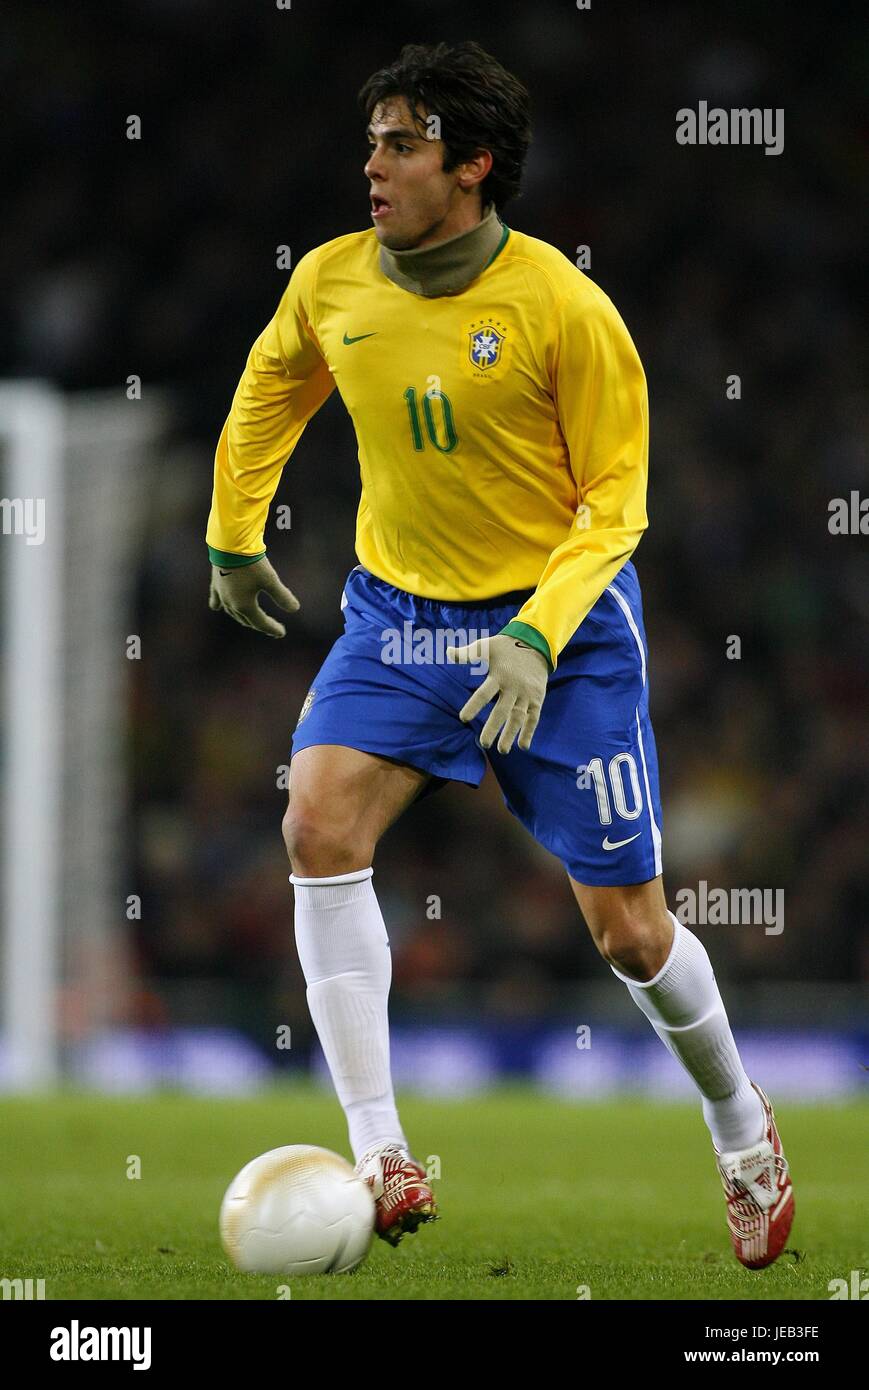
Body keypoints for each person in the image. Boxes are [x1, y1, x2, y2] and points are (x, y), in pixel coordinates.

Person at [206, 40, 793, 1267]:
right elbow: (273, 388)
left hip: (560, 632)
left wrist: (533, 634)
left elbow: (617, 504)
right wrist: (233, 533)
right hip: (398, 618)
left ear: (470, 169)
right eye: (370, 141)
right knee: (316, 822)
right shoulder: (329, 282)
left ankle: (740, 1128)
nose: (371, 166)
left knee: (629, 932)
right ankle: (380, 1151)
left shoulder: (563, 309)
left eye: (401, 145)